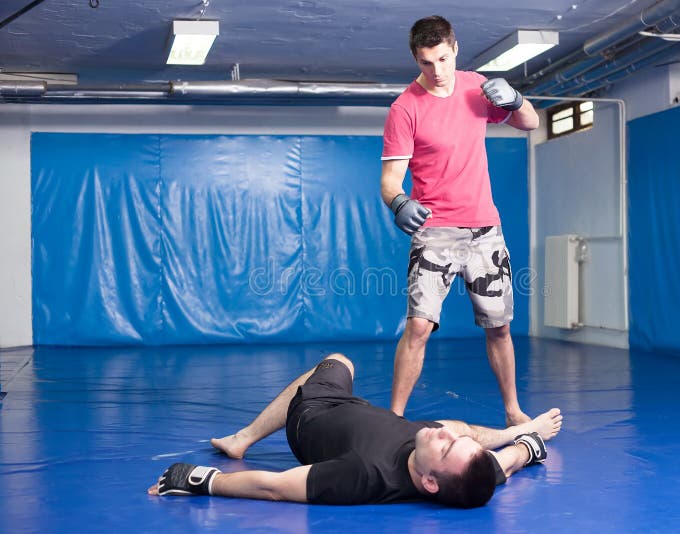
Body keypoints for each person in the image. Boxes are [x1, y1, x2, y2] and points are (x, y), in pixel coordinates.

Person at [380, 16, 541, 426]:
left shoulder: (475, 87)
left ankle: (513, 411)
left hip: (485, 229)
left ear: (455, 48)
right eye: (426, 62)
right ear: (415, 58)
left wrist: (516, 99)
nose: (437, 70)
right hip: (435, 232)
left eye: (443, 59)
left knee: (499, 327)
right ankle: (393, 420)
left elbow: (531, 123)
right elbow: (389, 181)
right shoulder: (404, 108)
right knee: (418, 326)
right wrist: (398, 202)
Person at [148, 353, 563, 507]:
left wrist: (202, 480)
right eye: (454, 441)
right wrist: (528, 442)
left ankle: (244, 438)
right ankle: (520, 432)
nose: (444, 436)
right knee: (470, 434)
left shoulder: (363, 474)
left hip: (312, 414)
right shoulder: (467, 475)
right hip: (361, 412)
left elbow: (275, 487)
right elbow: (502, 466)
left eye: (444, 447)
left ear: (429, 483)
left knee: (337, 362)